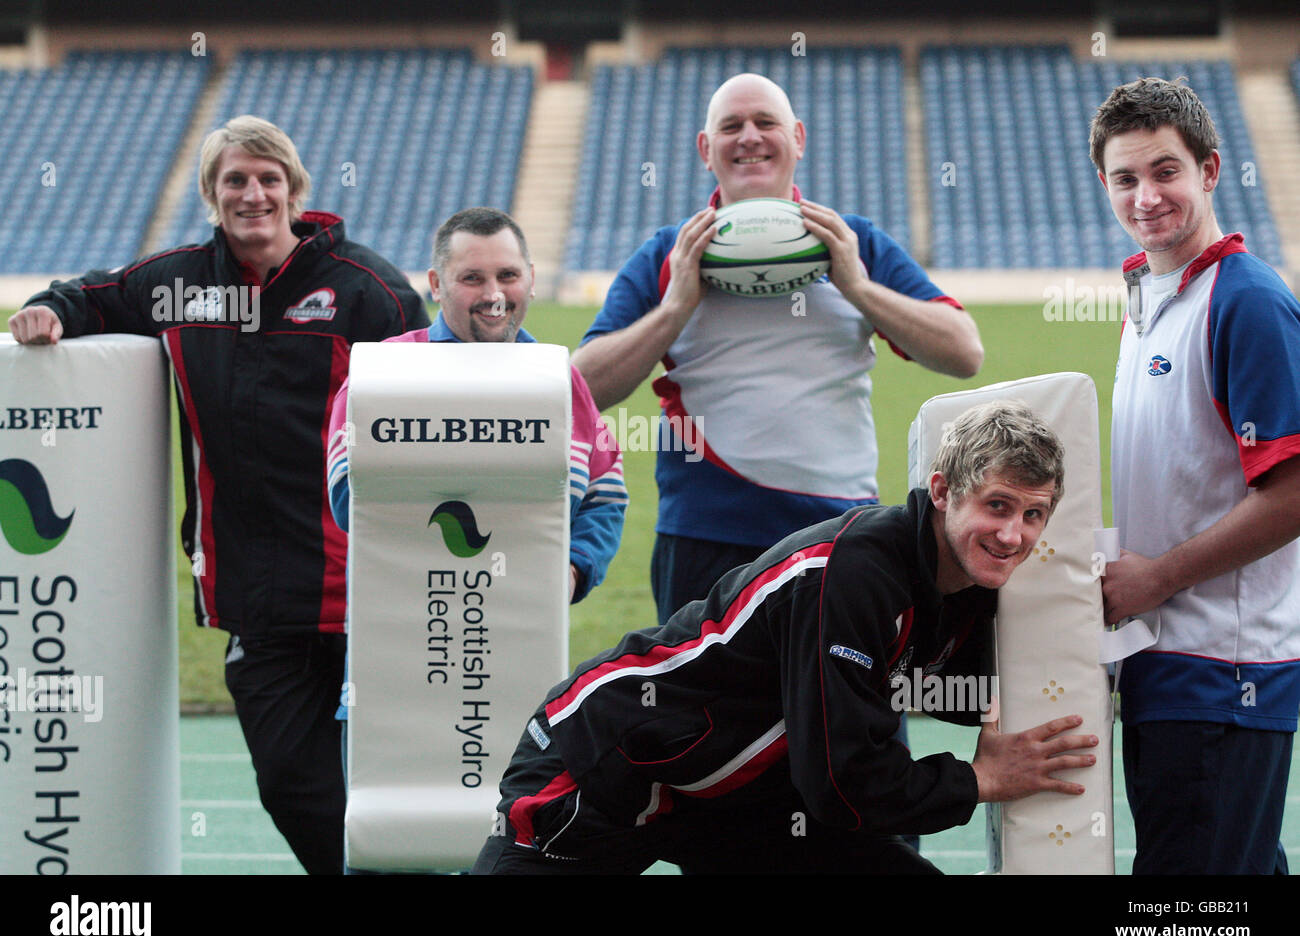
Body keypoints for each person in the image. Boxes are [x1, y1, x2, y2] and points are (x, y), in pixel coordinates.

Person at [8, 115, 427, 874]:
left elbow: (431, 403)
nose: (253, 193)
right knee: (292, 785)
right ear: (211, 193)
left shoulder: (368, 292)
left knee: (398, 790)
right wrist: (52, 310)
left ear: (294, 190)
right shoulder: (176, 283)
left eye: (269, 178)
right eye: (234, 179)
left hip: (368, 592)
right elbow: (94, 297)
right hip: (253, 595)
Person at [473, 401, 1099, 874]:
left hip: (738, 802)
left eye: (1033, 514)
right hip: (601, 764)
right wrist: (979, 781)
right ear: (941, 492)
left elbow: (946, 691)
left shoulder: (968, 583)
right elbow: (846, 782)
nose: (1013, 534)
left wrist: (1091, 622)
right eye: (997, 506)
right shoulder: (854, 574)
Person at [571, 72, 984, 625]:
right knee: (710, 712)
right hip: (704, 535)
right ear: (705, 148)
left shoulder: (850, 238)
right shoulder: (669, 253)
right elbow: (582, 387)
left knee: (853, 706)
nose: (749, 137)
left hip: (840, 529)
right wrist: (674, 309)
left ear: (798, 138)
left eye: (766, 123)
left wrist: (858, 287)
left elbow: (963, 351)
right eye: (730, 126)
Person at [1093, 78, 1300, 874]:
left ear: (1211, 171)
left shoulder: (1246, 300)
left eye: (1166, 171)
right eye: (1126, 178)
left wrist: (1159, 577)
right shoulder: (1149, 300)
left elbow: (1293, 490)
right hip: (1164, 663)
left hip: (1223, 673)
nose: (1147, 196)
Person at [326, 206, 628, 601]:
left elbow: (604, 494)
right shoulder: (383, 374)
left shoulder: (560, 380)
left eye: (508, 275)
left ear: (531, 279)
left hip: (526, 623)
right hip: (401, 620)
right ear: (436, 284)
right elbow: (348, 497)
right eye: (472, 278)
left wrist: (575, 567)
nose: (494, 295)